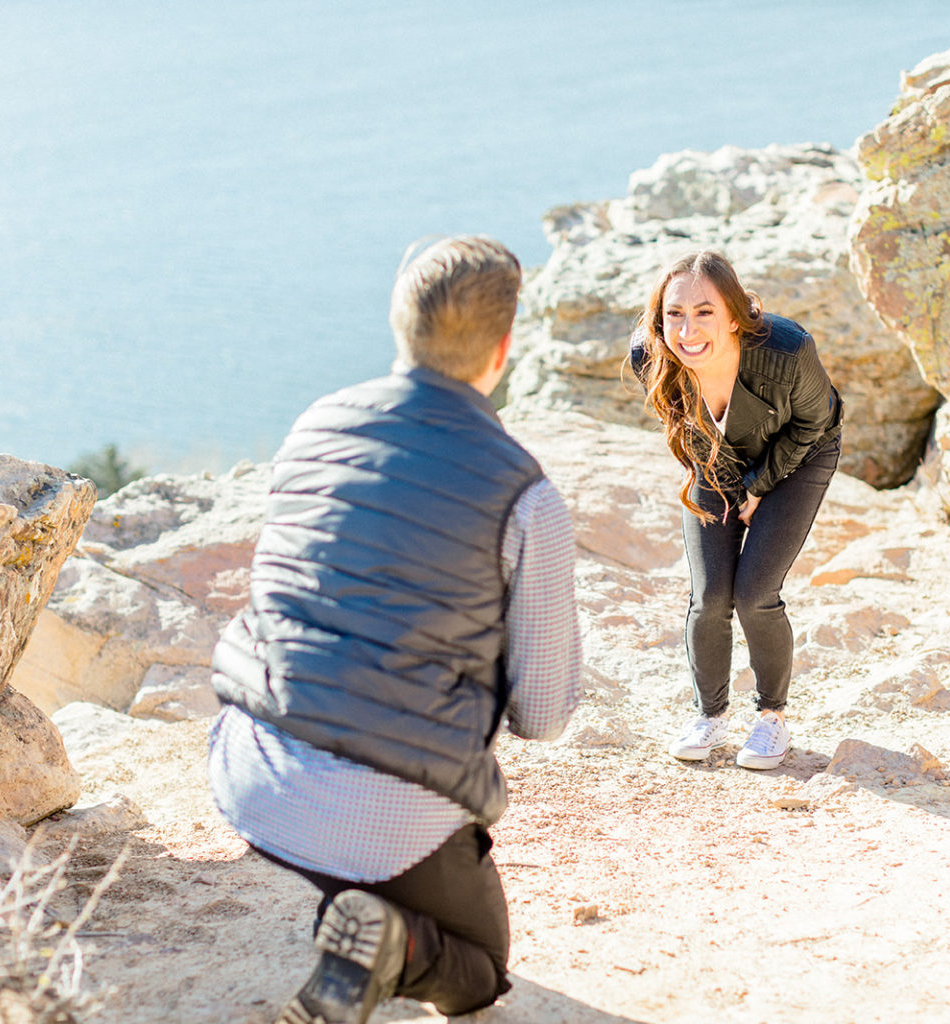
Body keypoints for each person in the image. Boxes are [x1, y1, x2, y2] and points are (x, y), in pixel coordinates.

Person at [208, 235, 580, 1024]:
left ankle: (351, 903)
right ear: (504, 349)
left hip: (251, 773)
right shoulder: (525, 493)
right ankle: (392, 941)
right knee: (479, 968)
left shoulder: (316, 424)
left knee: (350, 834)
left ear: (399, 325)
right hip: (386, 814)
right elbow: (543, 716)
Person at [629, 250, 841, 771]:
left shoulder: (788, 350)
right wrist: (733, 486)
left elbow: (818, 422)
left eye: (704, 311)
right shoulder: (649, 355)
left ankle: (771, 718)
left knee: (754, 594)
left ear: (733, 313)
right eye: (674, 313)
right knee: (709, 596)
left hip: (801, 456)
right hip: (718, 461)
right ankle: (711, 716)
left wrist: (760, 486)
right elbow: (684, 430)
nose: (687, 329)